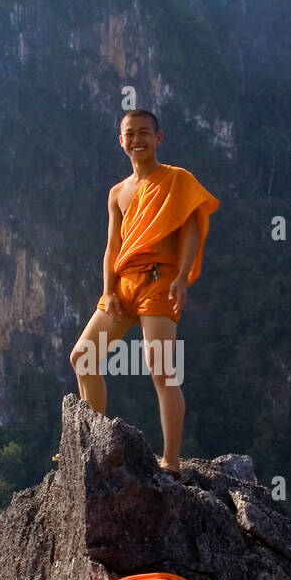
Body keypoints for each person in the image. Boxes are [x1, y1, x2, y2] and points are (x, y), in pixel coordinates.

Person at [68, 109, 219, 478]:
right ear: (121, 141)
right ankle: (95, 446)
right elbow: (112, 246)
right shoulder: (118, 192)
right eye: (129, 134)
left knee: (162, 371)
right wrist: (107, 290)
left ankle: (171, 460)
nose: (137, 139)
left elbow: (190, 234)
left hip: (159, 281)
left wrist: (182, 277)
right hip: (123, 284)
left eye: (144, 133)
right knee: (82, 358)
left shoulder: (176, 180)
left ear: (158, 138)